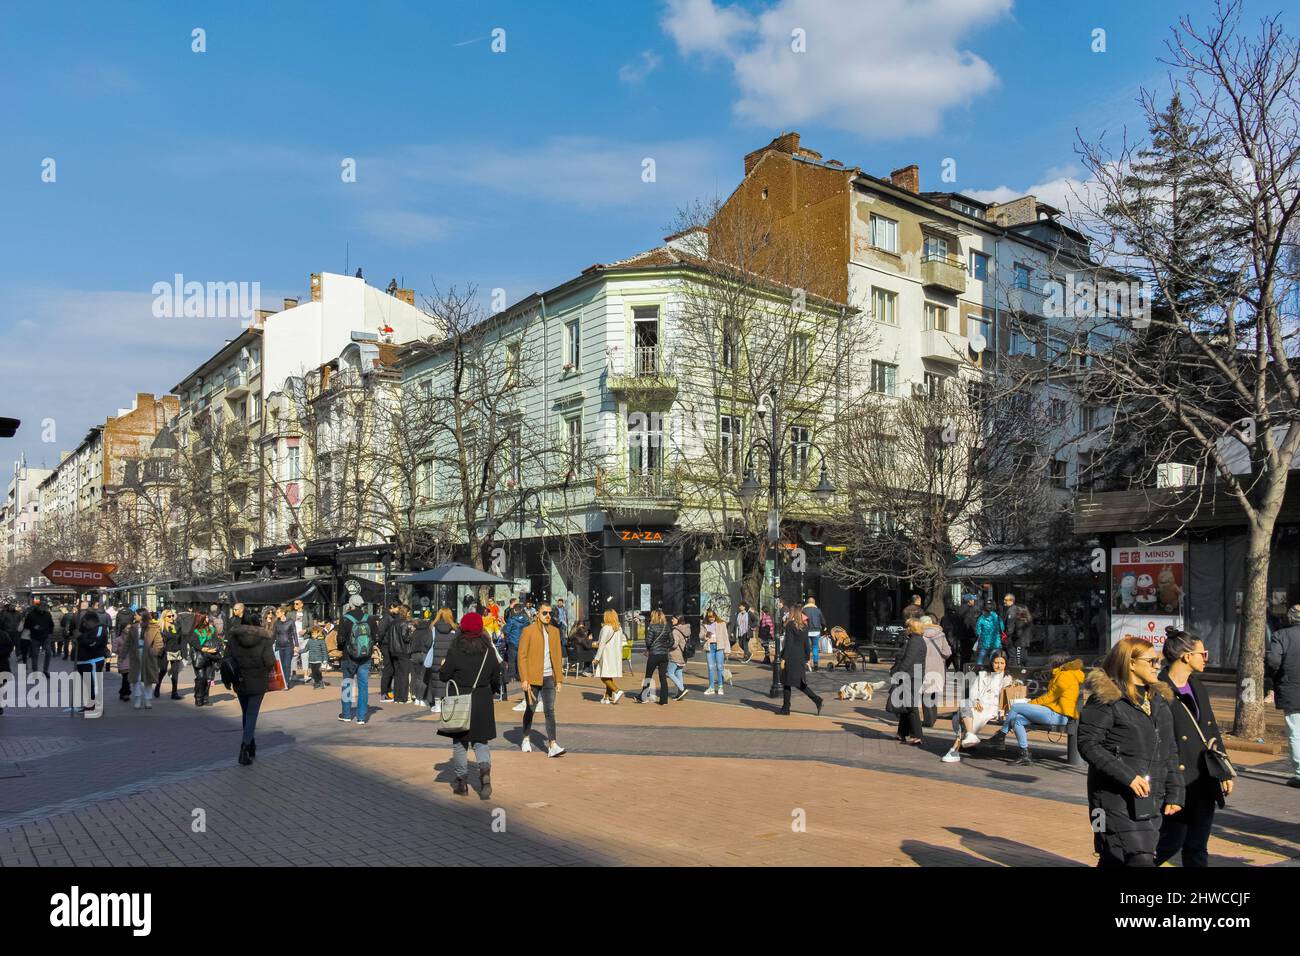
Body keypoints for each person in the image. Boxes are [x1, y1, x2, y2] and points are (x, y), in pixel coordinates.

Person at [1078, 637, 1185, 868]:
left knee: (1115, 859)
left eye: (1159, 661)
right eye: (1152, 661)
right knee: (1139, 858)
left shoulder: (1158, 700)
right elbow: (1088, 744)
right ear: (1131, 663)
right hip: (1112, 798)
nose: (1157, 666)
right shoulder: (1106, 699)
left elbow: (1169, 749)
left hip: (1149, 798)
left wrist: (1176, 791)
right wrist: (1128, 776)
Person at [1155, 627, 1235, 867]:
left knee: (1197, 846)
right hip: (1175, 779)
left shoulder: (1197, 685)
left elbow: (1211, 731)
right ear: (1186, 656)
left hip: (1203, 778)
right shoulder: (1158, 688)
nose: (1206, 658)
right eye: (1203, 654)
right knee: (1168, 843)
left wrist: (1224, 770)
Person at [438, 612, 502, 797]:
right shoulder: (488, 651)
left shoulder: (455, 650)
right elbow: (496, 676)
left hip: (460, 700)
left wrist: (443, 665)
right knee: (481, 742)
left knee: (460, 743)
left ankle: (462, 782)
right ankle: (485, 772)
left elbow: (444, 676)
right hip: (482, 700)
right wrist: (492, 690)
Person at [992, 655, 1085, 766]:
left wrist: (1029, 704)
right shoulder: (1067, 674)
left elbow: (1049, 697)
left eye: (1049, 665)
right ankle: (1025, 755)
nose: (1048, 667)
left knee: (1016, 707)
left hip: (1057, 714)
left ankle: (1000, 736)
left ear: (1055, 664)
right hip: (1054, 711)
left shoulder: (1065, 675)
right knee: (1017, 720)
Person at [942, 650, 1015, 762]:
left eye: (1002, 663)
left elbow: (1004, 698)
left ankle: (955, 748)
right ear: (991, 662)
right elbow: (973, 691)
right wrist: (975, 700)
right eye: (996, 662)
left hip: (991, 709)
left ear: (1006, 664)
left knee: (964, 716)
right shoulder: (983, 674)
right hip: (977, 704)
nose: (999, 666)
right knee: (965, 704)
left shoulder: (1007, 679)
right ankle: (969, 735)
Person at [226, 610, 277, 766]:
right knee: (252, 714)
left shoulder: (233, 639)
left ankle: (251, 744)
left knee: (246, 713)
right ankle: (245, 747)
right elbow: (270, 661)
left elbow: (227, 659)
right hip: (258, 680)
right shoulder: (264, 639)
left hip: (240, 680)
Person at [517, 602, 567, 755]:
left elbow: (557, 656)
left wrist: (559, 679)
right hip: (532, 678)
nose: (548, 616)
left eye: (550, 613)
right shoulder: (528, 631)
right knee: (530, 708)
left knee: (550, 710)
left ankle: (552, 744)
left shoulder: (554, 631)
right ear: (537, 614)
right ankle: (526, 737)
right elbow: (522, 656)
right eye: (544, 613)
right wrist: (524, 679)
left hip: (549, 677)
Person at [1266, 604, 1300, 789]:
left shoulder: (1281, 635)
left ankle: (1299, 774)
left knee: (1296, 733)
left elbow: (1273, 661)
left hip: (1291, 690)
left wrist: (1274, 677)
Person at [337, 595, 375, 725]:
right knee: (363, 686)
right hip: (365, 657)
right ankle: (361, 717)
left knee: (347, 684)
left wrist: (341, 648)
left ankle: (346, 714)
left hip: (349, 657)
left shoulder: (345, 618)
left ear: (350, 604)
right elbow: (376, 636)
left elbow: (340, 639)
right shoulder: (369, 618)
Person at [779, 606, 824, 715]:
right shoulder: (805, 626)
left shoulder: (790, 625)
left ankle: (786, 708)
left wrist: (784, 658)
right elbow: (806, 644)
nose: (789, 614)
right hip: (800, 657)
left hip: (791, 656)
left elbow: (789, 643)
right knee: (798, 682)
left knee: (787, 682)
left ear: (793, 613)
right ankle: (816, 700)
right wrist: (807, 658)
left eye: (790, 612)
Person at [889, 619, 928, 745]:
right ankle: (902, 733)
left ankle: (917, 735)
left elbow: (908, 660)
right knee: (906, 705)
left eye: (907, 627)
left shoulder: (915, 641)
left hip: (911, 676)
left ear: (912, 628)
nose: (906, 629)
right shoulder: (916, 640)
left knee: (910, 706)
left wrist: (898, 673)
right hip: (913, 675)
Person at [74, 596, 111, 712]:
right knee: (88, 685)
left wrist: (80, 637)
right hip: (84, 661)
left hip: (93, 661)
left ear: (91, 621)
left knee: (94, 684)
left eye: (85, 622)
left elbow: (94, 643)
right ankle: (89, 704)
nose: (84, 625)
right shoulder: (87, 630)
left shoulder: (99, 629)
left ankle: (96, 705)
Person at [128, 609, 164, 711]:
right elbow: (128, 642)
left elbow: (159, 643)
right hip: (135, 655)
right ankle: (138, 699)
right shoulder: (133, 628)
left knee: (148, 678)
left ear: (141, 616)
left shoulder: (153, 628)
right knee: (136, 678)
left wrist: (153, 651)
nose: (134, 616)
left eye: (136, 615)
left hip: (148, 656)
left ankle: (148, 699)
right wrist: (123, 654)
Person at [920, 619, 953, 728]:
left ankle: (928, 720)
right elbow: (947, 652)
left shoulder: (919, 635)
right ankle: (933, 718)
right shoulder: (941, 635)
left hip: (924, 667)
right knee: (933, 693)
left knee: (925, 693)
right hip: (938, 667)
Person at [639, 609, 673, 705]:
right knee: (663, 678)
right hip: (664, 655)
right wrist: (664, 646)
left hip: (654, 654)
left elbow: (648, 642)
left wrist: (651, 648)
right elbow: (672, 642)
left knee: (648, 676)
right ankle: (664, 700)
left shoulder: (652, 627)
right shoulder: (667, 627)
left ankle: (644, 697)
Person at [427, 607, 457, 713]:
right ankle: (447, 704)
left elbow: (428, 643)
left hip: (436, 659)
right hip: (449, 659)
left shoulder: (433, 627)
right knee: (449, 680)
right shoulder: (454, 628)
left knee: (437, 679)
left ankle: (437, 705)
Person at [187, 614, 222, 706]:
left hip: (210, 656)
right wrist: (204, 649)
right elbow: (193, 643)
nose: (207, 619)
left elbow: (217, 641)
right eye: (205, 617)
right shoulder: (195, 631)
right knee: (201, 678)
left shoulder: (212, 630)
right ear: (200, 619)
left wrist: (216, 648)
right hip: (199, 656)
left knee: (208, 678)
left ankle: (205, 698)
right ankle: (198, 697)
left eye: (207, 617)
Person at [593, 609, 625, 703]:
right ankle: (607, 697)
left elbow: (602, 644)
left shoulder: (606, 628)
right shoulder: (619, 628)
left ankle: (617, 690)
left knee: (604, 676)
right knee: (609, 675)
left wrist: (597, 658)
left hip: (606, 654)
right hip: (615, 655)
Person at [22, 597, 55, 677]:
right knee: (35, 655)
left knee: (48, 653)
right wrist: (33, 627)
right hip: (35, 637)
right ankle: (35, 672)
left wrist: (49, 634)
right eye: (42, 606)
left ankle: (45, 670)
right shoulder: (31, 614)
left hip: (46, 637)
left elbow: (51, 624)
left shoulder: (47, 614)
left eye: (45, 606)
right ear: (38, 606)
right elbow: (26, 625)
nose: (43, 608)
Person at [158, 607, 185, 700]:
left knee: (175, 672)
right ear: (164, 617)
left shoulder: (177, 626)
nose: (171, 618)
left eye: (172, 616)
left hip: (175, 651)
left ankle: (174, 692)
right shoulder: (161, 628)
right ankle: (157, 686)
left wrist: (183, 652)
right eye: (169, 616)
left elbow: (181, 640)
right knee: (163, 670)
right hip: (165, 652)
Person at [405, 609, 431, 704]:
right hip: (424, 654)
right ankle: (422, 698)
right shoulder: (428, 631)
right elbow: (429, 643)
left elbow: (410, 642)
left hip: (414, 655)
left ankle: (416, 697)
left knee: (416, 677)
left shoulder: (415, 632)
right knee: (424, 677)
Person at [702, 609, 729, 696]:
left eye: (713, 617)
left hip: (719, 647)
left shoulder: (722, 624)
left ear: (715, 616)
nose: (711, 619)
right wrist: (705, 636)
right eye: (709, 617)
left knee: (720, 667)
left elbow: (725, 637)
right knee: (710, 668)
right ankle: (711, 688)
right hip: (709, 647)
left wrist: (727, 650)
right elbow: (700, 635)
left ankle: (720, 687)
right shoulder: (704, 624)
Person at [1001, 593, 1031, 667]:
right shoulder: (1019, 610)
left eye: (1006, 600)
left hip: (1016, 639)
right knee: (1023, 659)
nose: (1004, 601)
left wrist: (1005, 636)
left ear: (1011, 601)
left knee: (1014, 659)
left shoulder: (1011, 611)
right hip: (1023, 639)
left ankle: (1014, 671)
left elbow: (1010, 627)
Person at [667, 616, 690, 700]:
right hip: (683, 655)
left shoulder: (675, 631)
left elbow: (674, 644)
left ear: (678, 620)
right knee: (678, 672)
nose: (672, 620)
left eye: (673, 618)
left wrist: (667, 644)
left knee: (669, 673)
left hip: (675, 655)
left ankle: (682, 689)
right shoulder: (686, 629)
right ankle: (680, 693)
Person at [974, 600, 1003, 665]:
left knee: (980, 660)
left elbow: (977, 632)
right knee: (994, 660)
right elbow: (1002, 629)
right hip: (996, 643)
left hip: (984, 643)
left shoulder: (981, 618)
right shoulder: (998, 618)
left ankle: (979, 670)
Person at [802, 596, 826, 672]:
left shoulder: (804, 610)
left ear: (807, 603)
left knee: (806, 648)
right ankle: (816, 665)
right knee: (815, 647)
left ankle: (806, 664)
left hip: (807, 631)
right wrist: (824, 627)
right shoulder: (818, 610)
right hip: (816, 631)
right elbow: (822, 621)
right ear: (814, 603)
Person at [304, 623, 328, 689]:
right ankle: (317, 682)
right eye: (312, 634)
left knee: (318, 671)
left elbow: (324, 651)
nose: (313, 635)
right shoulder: (310, 641)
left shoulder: (321, 641)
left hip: (319, 660)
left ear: (318, 633)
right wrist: (298, 651)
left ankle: (319, 682)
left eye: (314, 634)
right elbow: (306, 649)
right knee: (314, 673)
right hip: (312, 660)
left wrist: (325, 660)